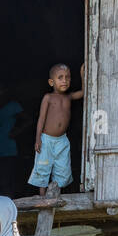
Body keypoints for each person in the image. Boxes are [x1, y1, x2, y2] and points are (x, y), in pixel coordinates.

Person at [29, 63, 84, 195]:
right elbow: (41, 119)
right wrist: (38, 139)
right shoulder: (48, 98)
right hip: (46, 139)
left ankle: (55, 194)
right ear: (51, 82)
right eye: (60, 77)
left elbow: (83, 93)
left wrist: (82, 76)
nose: (65, 80)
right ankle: (42, 197)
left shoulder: (68, 97)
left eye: (68, 77)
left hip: (62, 140)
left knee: (62, 167)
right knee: (43, 166)